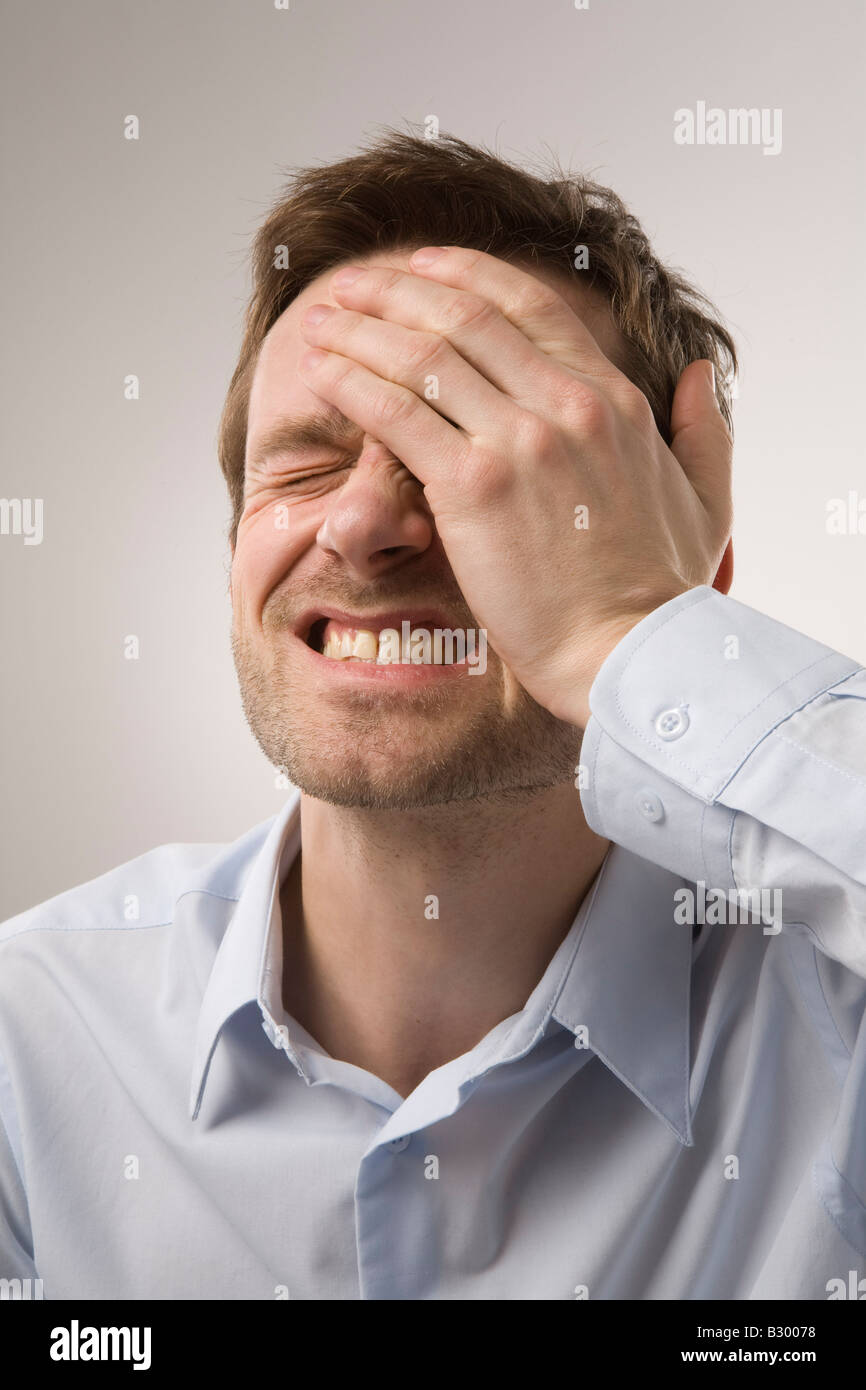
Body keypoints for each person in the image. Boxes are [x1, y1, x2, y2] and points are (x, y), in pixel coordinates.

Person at [1, 130, 864, 1301]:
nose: (360, 526)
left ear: (680, 583)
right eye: (303, 465)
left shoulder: (835, 1026)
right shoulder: (28, 1036)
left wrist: (630, 630)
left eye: (478, 460)